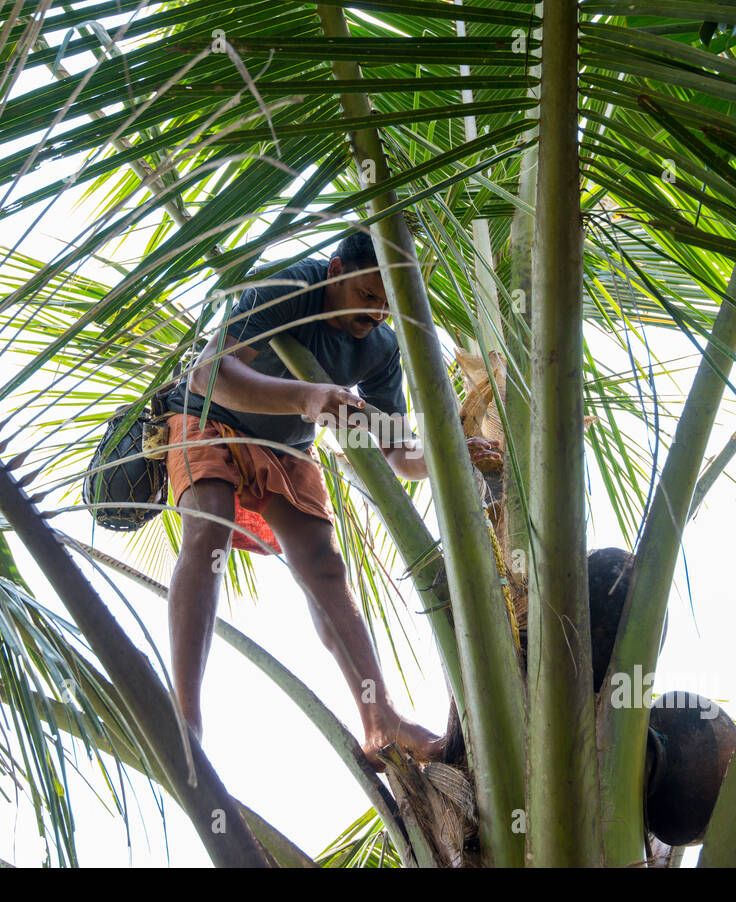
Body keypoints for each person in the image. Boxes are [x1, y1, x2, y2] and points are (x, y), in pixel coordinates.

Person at [162, 230, 499, 770]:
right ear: (336, 272)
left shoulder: (381, 349)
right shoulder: (293, 283)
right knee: (210, 529)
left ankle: (380, 719)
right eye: (368, 294)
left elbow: (396, 453)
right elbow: (210, 372)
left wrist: (450, 454)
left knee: (324, 567)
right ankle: (183, 719)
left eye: (387, 303)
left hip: (286, 445)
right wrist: (309, 396)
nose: (378, 311)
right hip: (207, 417)